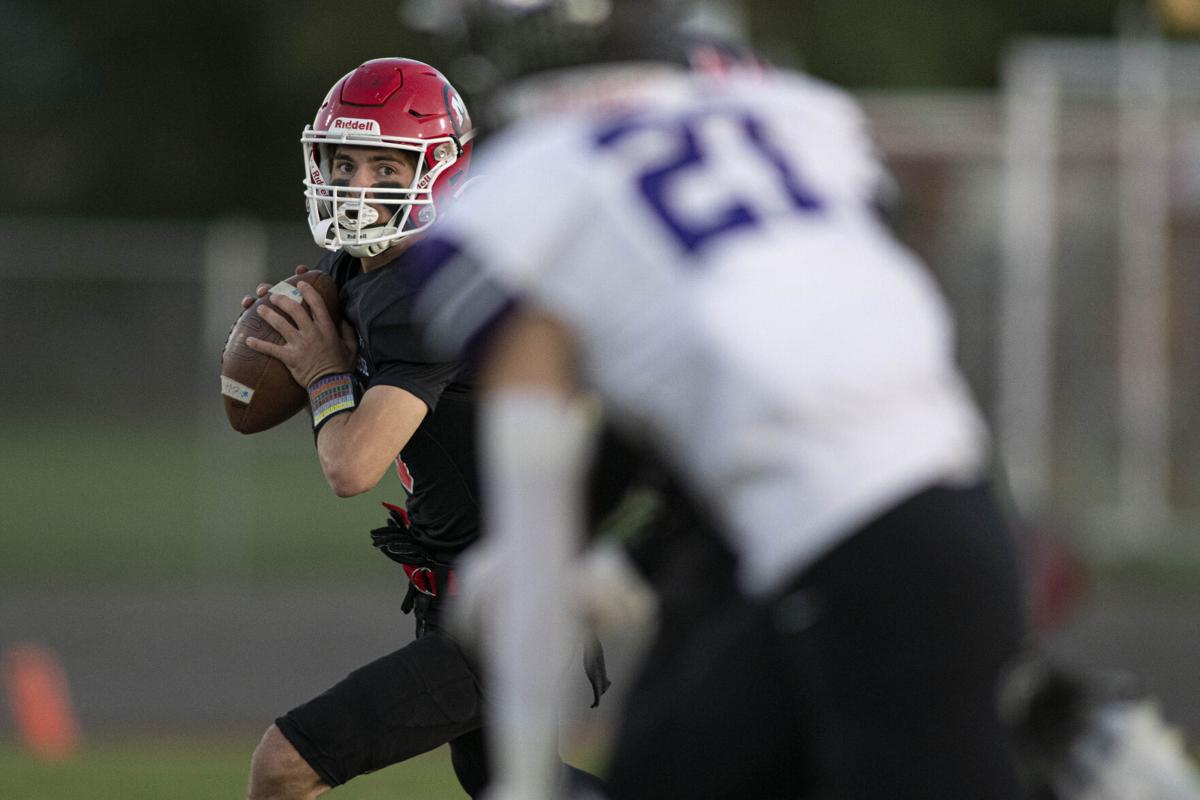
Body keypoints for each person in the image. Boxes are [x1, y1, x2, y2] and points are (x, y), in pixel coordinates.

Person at [400, 2, 1030, 798]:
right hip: (937, 514)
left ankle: (1079, 774)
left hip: (849, 559)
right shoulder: (796, 115)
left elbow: (536, 496)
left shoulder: (523, 197)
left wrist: (522, 774)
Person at [237, 57, 605, 800]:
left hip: (514, 606)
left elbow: (352, 466)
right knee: (512, 786)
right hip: (477, 593)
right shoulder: (362, 269)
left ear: (438, 171)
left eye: (385, 165)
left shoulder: (424, 289)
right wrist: (283, 338)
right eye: (345, 161)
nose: (359, 186)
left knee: (285, 764)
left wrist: (323, 376)